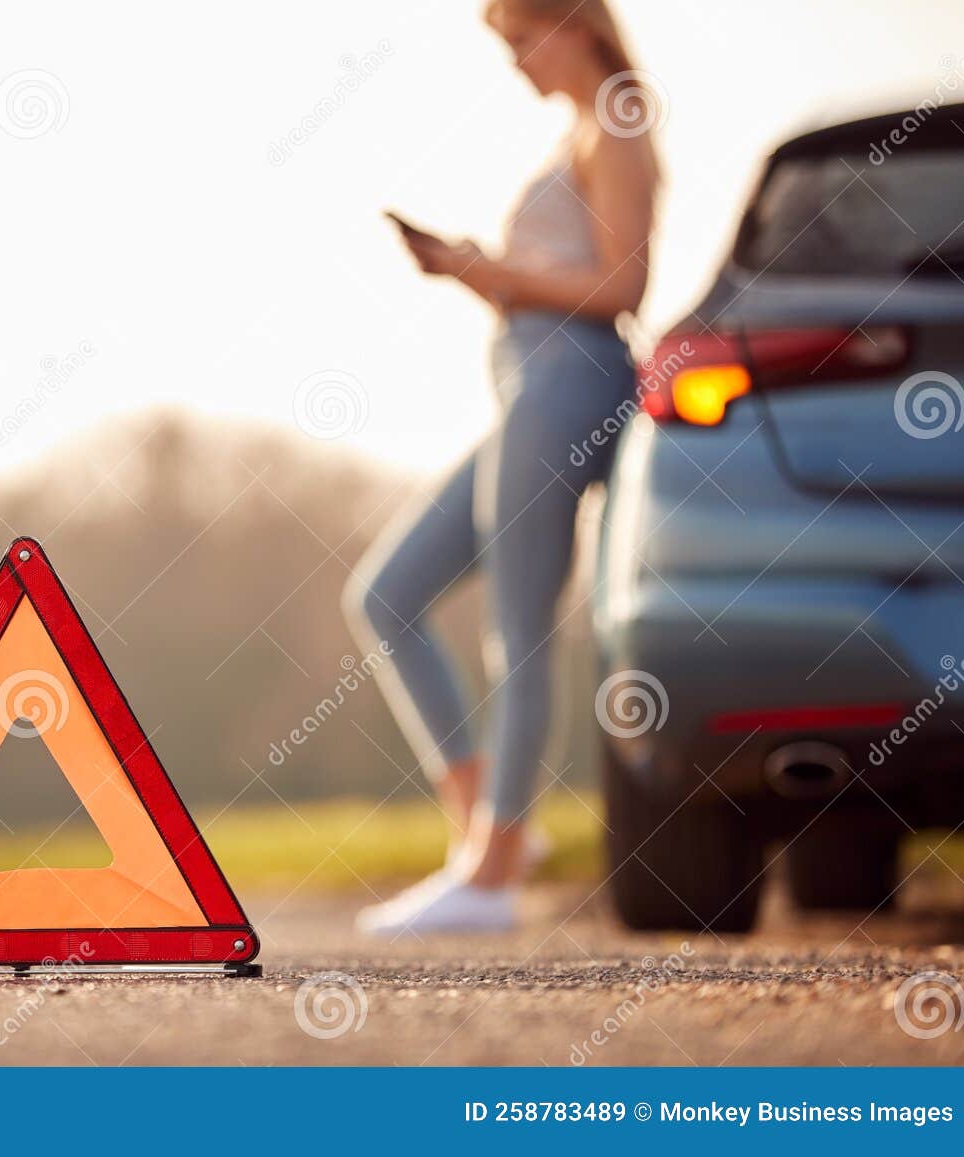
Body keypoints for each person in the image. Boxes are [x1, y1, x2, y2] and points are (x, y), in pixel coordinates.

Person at [344, 0, 659, 935]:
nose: (517, 62)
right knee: (386, 595)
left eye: (525, 39)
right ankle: (486, 828)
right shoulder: (578, 131)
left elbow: (625, 284)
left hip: (569, 381)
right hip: (530, 384)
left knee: (517, 628)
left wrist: (489, 272)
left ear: (578, 26)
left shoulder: (617, 121)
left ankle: (489, 876)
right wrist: (474, 273)